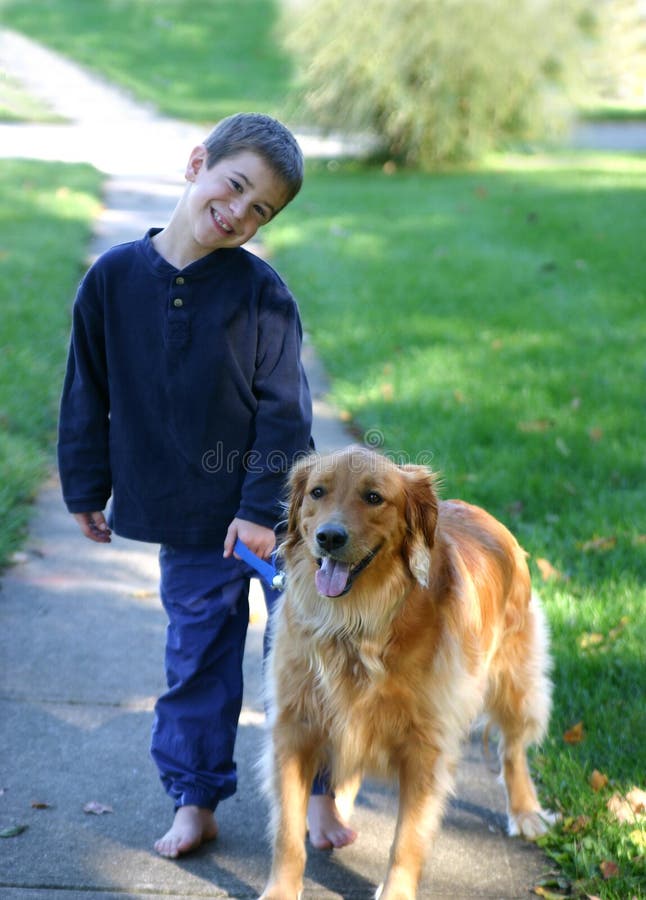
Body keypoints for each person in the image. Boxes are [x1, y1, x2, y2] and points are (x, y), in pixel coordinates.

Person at [58, 112, 355, 859]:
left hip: (283, 525)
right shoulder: (112, 281)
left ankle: (320, 795)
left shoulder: (262, 295)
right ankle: (195, 799)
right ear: (198, 163)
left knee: (308, 657)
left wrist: (262, 513)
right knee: (196, 658)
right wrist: (86, 484)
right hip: (187, 517)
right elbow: (85, 390)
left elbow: (285, 414)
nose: (241, 213)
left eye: (262, 210)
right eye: (235, 187)